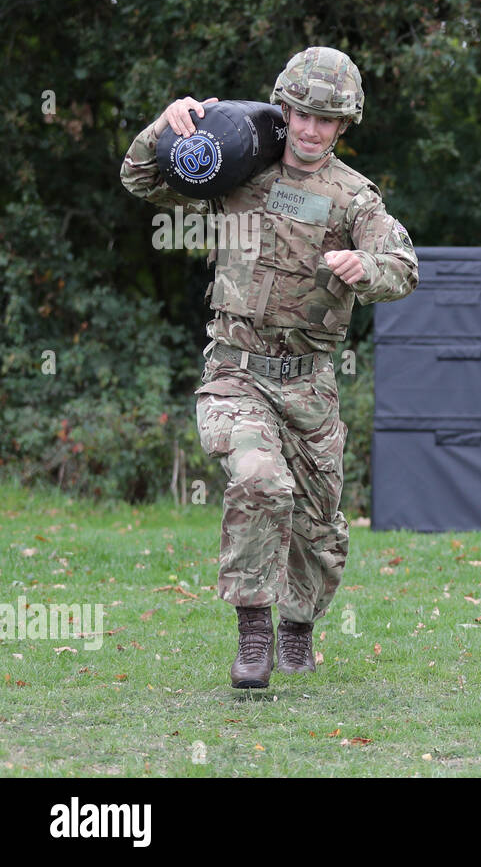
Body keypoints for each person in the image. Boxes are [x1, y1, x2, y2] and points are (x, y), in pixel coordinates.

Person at [121, 47, 419, 687]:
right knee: (259, 481)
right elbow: (141, 178)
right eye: (302, 115)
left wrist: (366, 268)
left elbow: (403, 265)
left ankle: (297, 631)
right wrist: (166, 125)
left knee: (320, 532)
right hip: (236, 374)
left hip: (310, 388)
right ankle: (252, 634)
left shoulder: (352, 198)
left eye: (327, 121)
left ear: (344, 127)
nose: (311, 131)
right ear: (283, 109)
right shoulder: (236, 170)